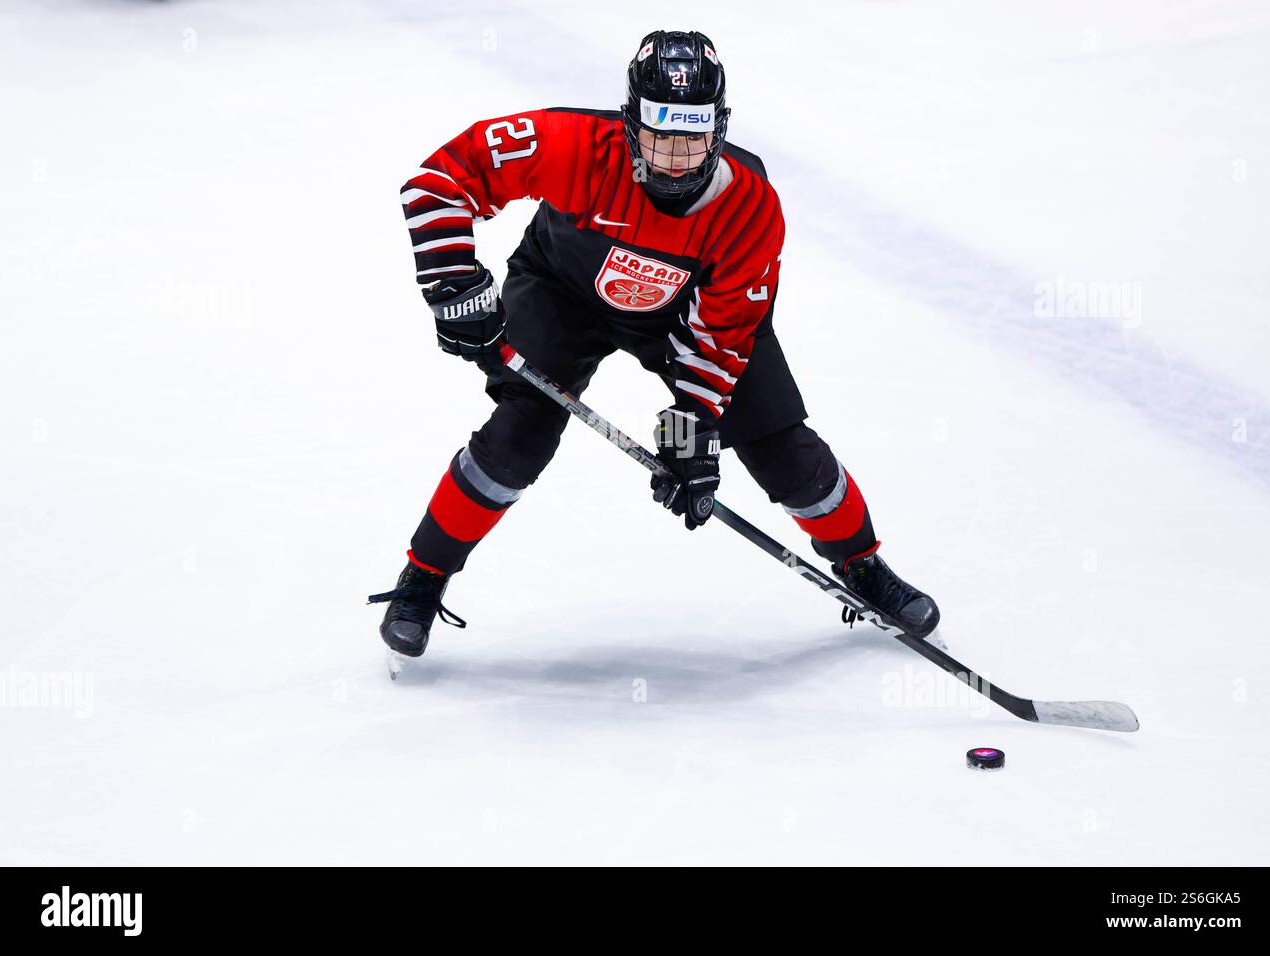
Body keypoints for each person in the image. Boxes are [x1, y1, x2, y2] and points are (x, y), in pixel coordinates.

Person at [369, 29, 939, 658]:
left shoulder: (750, 207)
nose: (675, 155)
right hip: (562, 289)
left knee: (780, 446)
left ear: (718, 128)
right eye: (660, 132)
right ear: (629, 122)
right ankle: (422, 578)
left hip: (681, 317)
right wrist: (454, 287)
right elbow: (439, 181)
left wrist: (694, 428)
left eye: (692, 135)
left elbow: (722, 333)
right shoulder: (573, 145)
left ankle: (862, 564)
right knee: (519, 433)